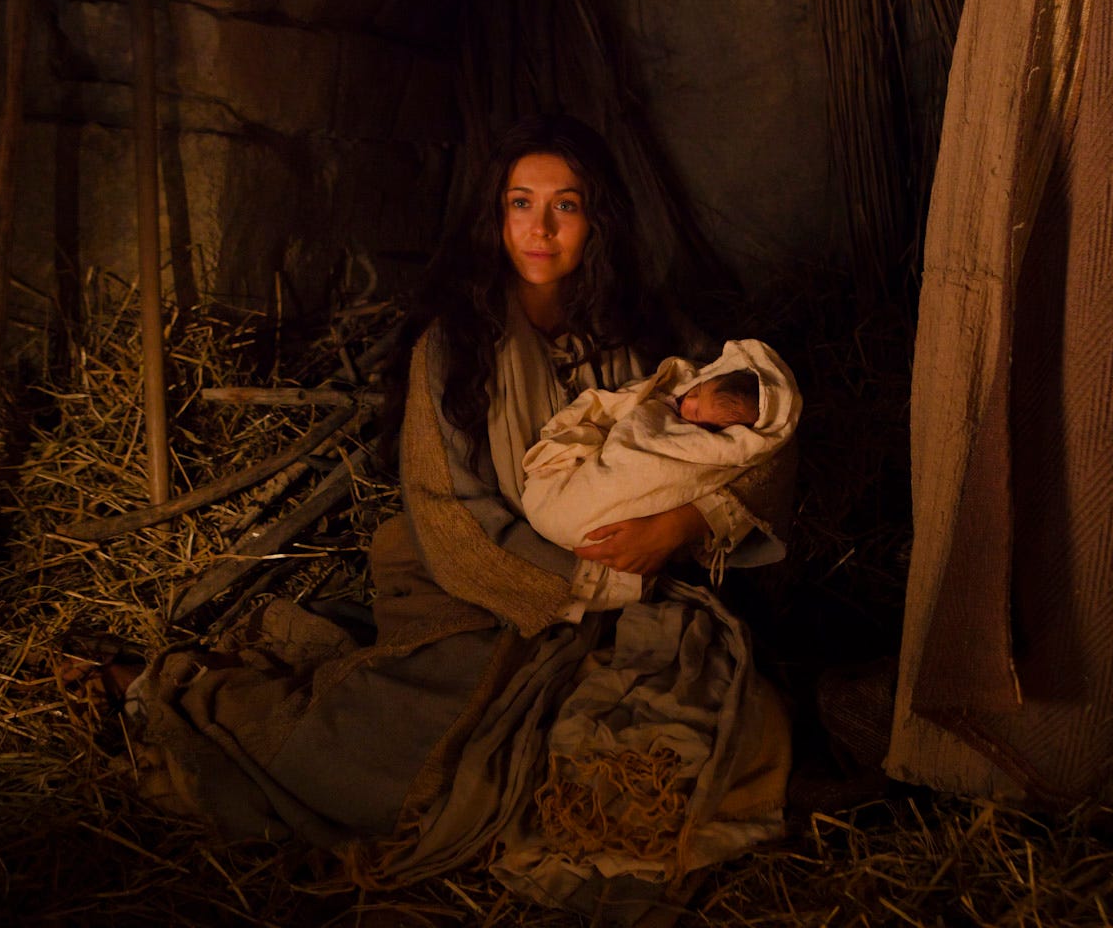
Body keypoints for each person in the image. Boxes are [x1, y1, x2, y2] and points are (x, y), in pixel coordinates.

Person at [132, 115, 796, 917]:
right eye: (521, 203)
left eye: (565, 205)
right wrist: (589, 582)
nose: (540, 229)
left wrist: (680, 529)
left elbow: (765, 445)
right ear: (495, 216)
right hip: (485, 588)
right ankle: (221, 706)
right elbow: (451, 513)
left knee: (728, 723)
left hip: (647, 581)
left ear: (599, 219)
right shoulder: (454, 346)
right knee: (401, 753)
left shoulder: (653, 337)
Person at [521, 339, 802, 612]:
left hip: (615, 533)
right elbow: (630, 424)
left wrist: (679, 524)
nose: (687, 402)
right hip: (562, 510)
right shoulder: (685, 388)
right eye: (694, 392)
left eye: (698, 414)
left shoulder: (719, 447)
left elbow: (760, 453)